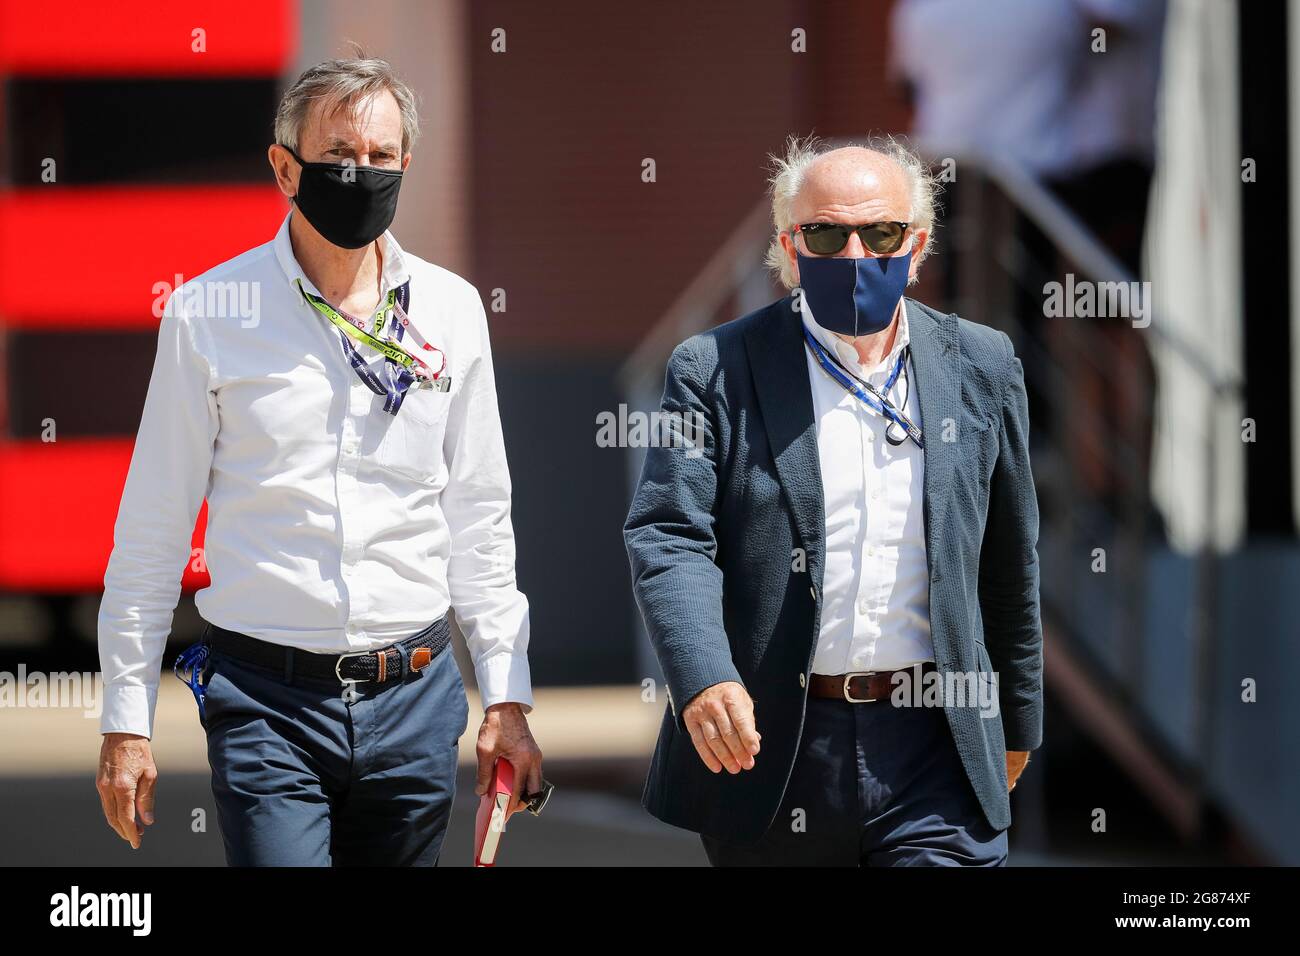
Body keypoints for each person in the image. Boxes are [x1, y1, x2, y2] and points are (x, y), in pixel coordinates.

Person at [95, 55, 542, 866]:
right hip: (266, 704)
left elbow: (479, 515)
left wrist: (507, 697)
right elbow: (154, 529)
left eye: (380, 156)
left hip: (415, 697)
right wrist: (125, 721)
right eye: (338, 154)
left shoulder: (451, 310)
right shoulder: (208, 314)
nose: (360, 172)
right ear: (284, 166)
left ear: (406, 163)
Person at [624, 136, 1043, 866]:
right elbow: (668, 534)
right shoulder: (714, 369)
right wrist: (705, 674)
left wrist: (1017, 723)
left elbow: (1010, 558)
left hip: (935, 748)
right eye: (825, 234)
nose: (854, 255)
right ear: (789, 249)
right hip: (774, 748)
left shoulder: (983, 363)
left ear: (916, 247)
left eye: (879, 233)